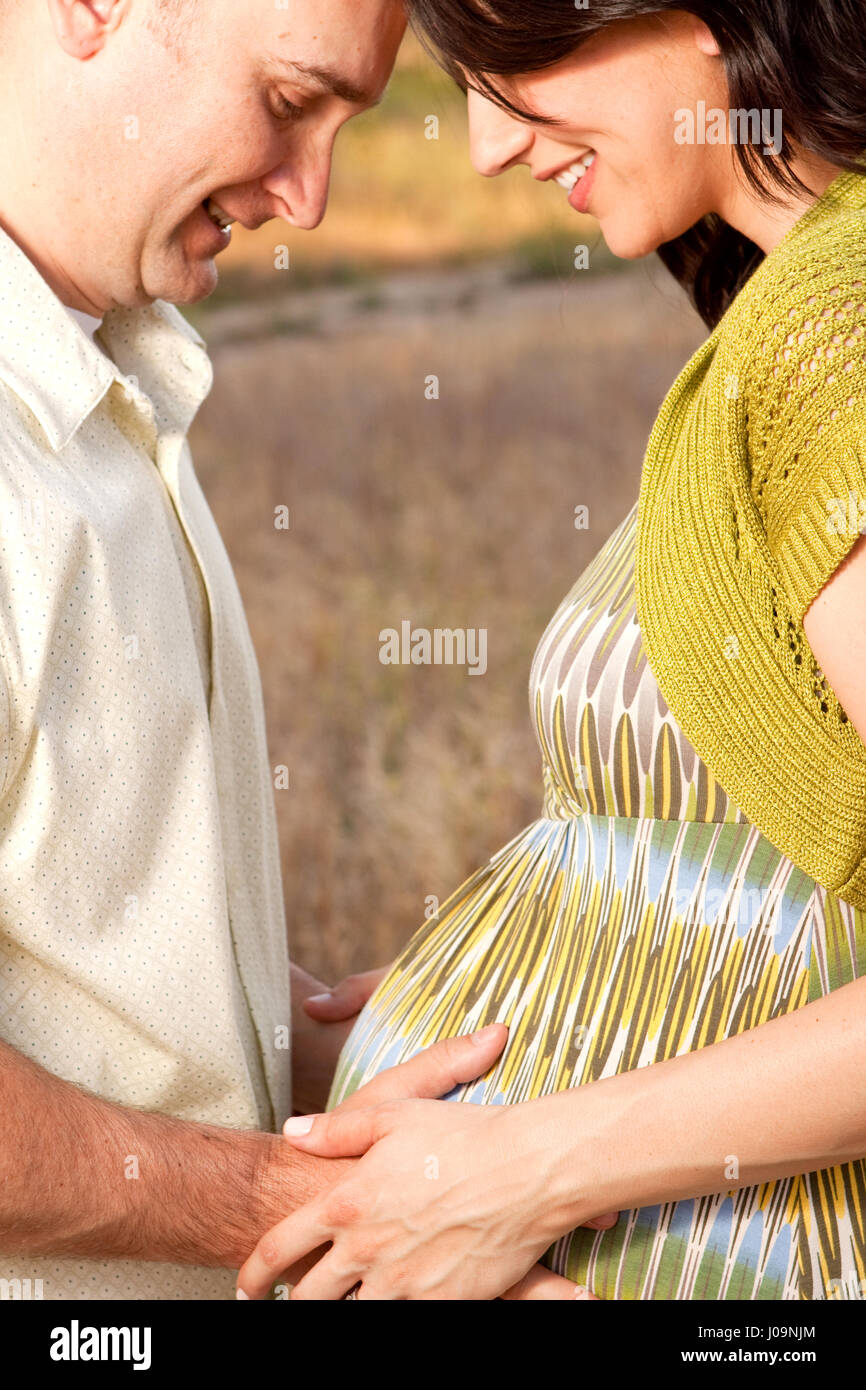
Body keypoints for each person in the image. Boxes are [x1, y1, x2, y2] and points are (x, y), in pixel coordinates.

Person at [240, 1, 866, 1301]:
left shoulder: (838, 333)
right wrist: (549, 971)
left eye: (510, 64)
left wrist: (517, 1172)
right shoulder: (789, 314)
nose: (482, 145)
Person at [0, 0, 599, 1303]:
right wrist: (326, 1201)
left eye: (343, 128)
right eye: (286, 103)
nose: (310, 197)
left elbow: (81, 913)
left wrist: (358, 1043)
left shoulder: (100, 388)